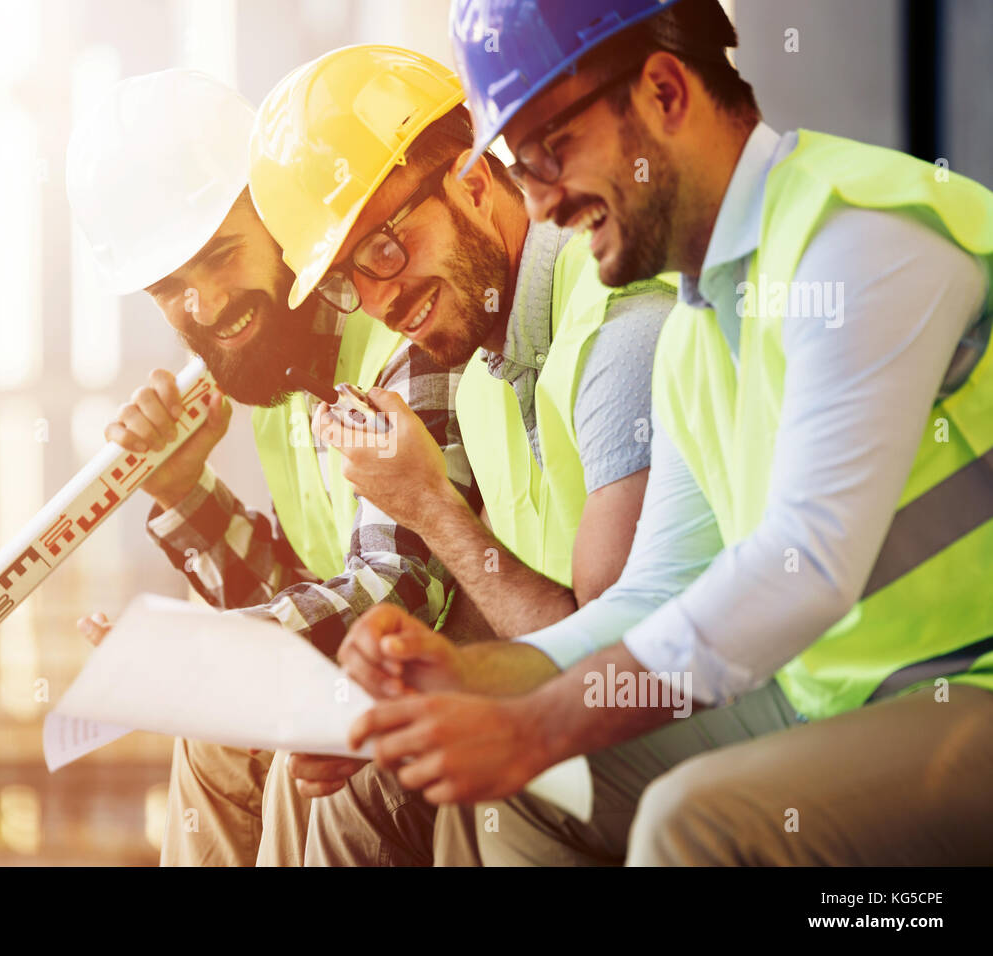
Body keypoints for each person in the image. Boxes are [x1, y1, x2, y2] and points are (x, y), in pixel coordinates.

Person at [347, 0, 993, 865]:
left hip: (967, 688)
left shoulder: (854, 238)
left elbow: (807, 564)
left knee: (694, 820)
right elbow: (652, 596)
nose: (540, 204)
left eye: (551, 151)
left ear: (663, 91)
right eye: (521, 166)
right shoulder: (698, 330)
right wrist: (466, 680)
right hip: (832, 697)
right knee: (509, 792)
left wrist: (540, 724)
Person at [247, 44, 676, 865]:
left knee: (484, 788)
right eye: (347, 281)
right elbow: (501, 612)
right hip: (595, 690)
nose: (379, 301)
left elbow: (620, 668)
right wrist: (397, 689)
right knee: (345, 776)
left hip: (687, 711)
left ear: (475, 182)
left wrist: (430, 509)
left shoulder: (619, 326)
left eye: (384, 248)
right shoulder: (479, 376)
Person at [65, 68, 477, 865]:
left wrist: (203, 655)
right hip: (396, 678)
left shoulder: (403, 328)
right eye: (169, 288)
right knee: (214, 738)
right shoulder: (280, 376)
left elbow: (397, 593)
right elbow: (309, 599)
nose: (208, 306)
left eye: (222, 255)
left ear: (281, 213)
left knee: (294, 755)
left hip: (474, 683)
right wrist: (183, 492)